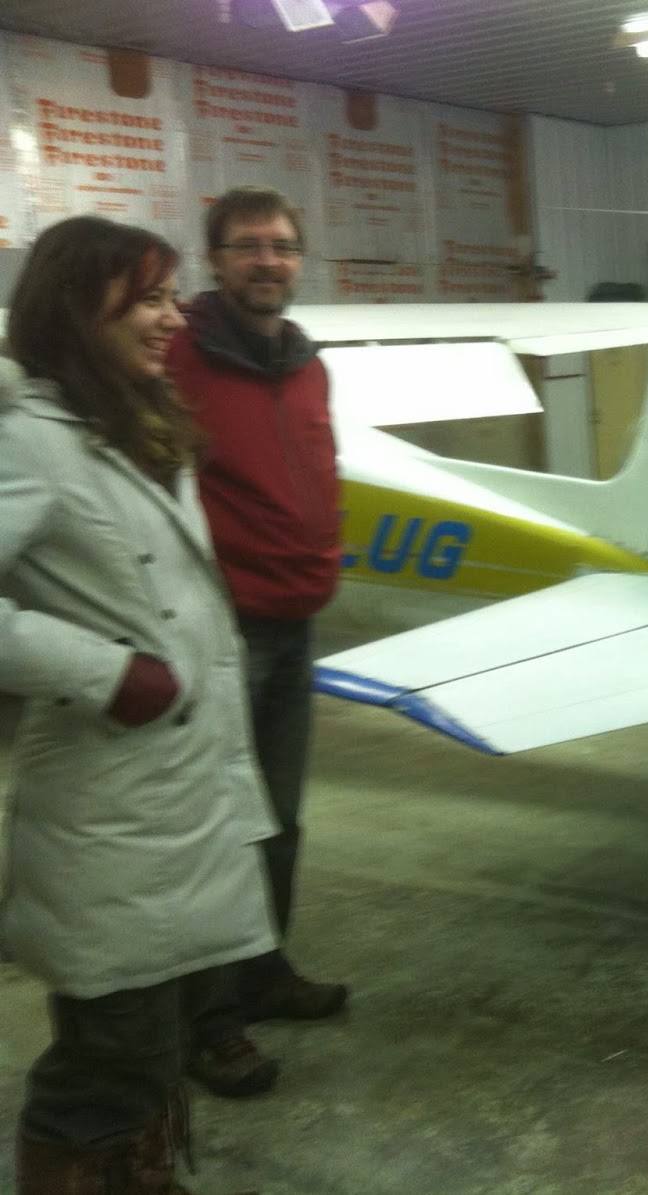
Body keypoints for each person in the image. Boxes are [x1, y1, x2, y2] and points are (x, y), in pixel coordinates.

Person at [0, 215, 275, 1192]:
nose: (174, 319)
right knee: (107, 1059)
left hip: (175, 796)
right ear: (81, 306)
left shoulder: (135, 418)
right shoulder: (30, 440)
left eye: (171, 296)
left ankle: (144, 1178)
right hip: (107, 814)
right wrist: (100, 669)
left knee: (151, 1053)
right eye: (151, 298)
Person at [165, 185, 347, 1097]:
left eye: (280, 245)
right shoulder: (176, 356)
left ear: (298, 257)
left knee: (279, 820)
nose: (266, 260)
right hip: (226, 625)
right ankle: (211, 1023)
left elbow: (320, 462)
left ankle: (265, 969)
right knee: (221, 832)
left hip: (297, 618)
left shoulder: (308, 364)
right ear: (215, 260)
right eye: (245, 246)